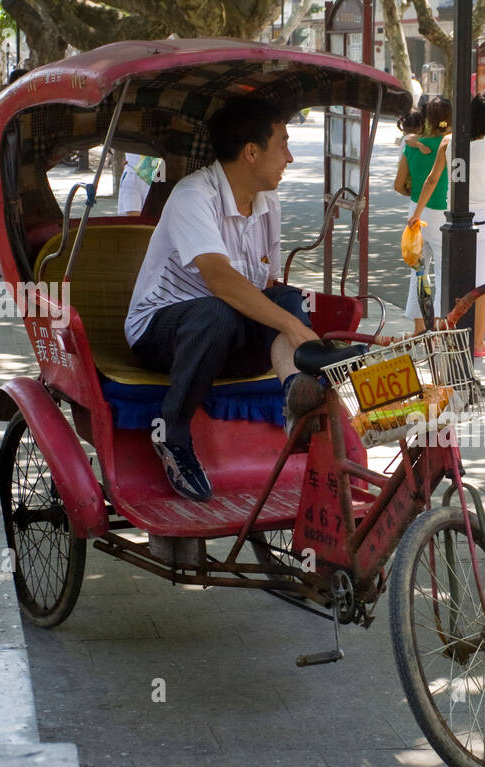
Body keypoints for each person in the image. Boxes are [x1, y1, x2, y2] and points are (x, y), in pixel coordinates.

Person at [124, 98, 321, 501]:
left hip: (226, 330)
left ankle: (295, 399)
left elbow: (265, 285)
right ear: (251, 152)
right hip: (163, 331)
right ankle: (172, 432)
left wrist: (291, 316)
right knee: (219, 313)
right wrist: (293, 328)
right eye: (282, 145)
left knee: (289, 298)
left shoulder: (269, 203)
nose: (290, 157)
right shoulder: (193, 195)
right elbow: (220, 279)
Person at [409, 94, 485, 357]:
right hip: (484, 221)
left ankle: (448, 336)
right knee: (483, 283)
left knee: (455, 281)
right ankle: (477, 343)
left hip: (453, 219)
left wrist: (416, 213)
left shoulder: (448, 141)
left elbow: (432, 180)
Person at [397, 99, 451, 334]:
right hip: (442, 213)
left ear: (426, 118)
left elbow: (399, 185)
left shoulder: (412, 145)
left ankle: (418, 328)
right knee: (442, 273)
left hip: (416, 213)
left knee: (418, 272)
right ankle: (438, 328)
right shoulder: (450, 145)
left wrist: (416, 197)